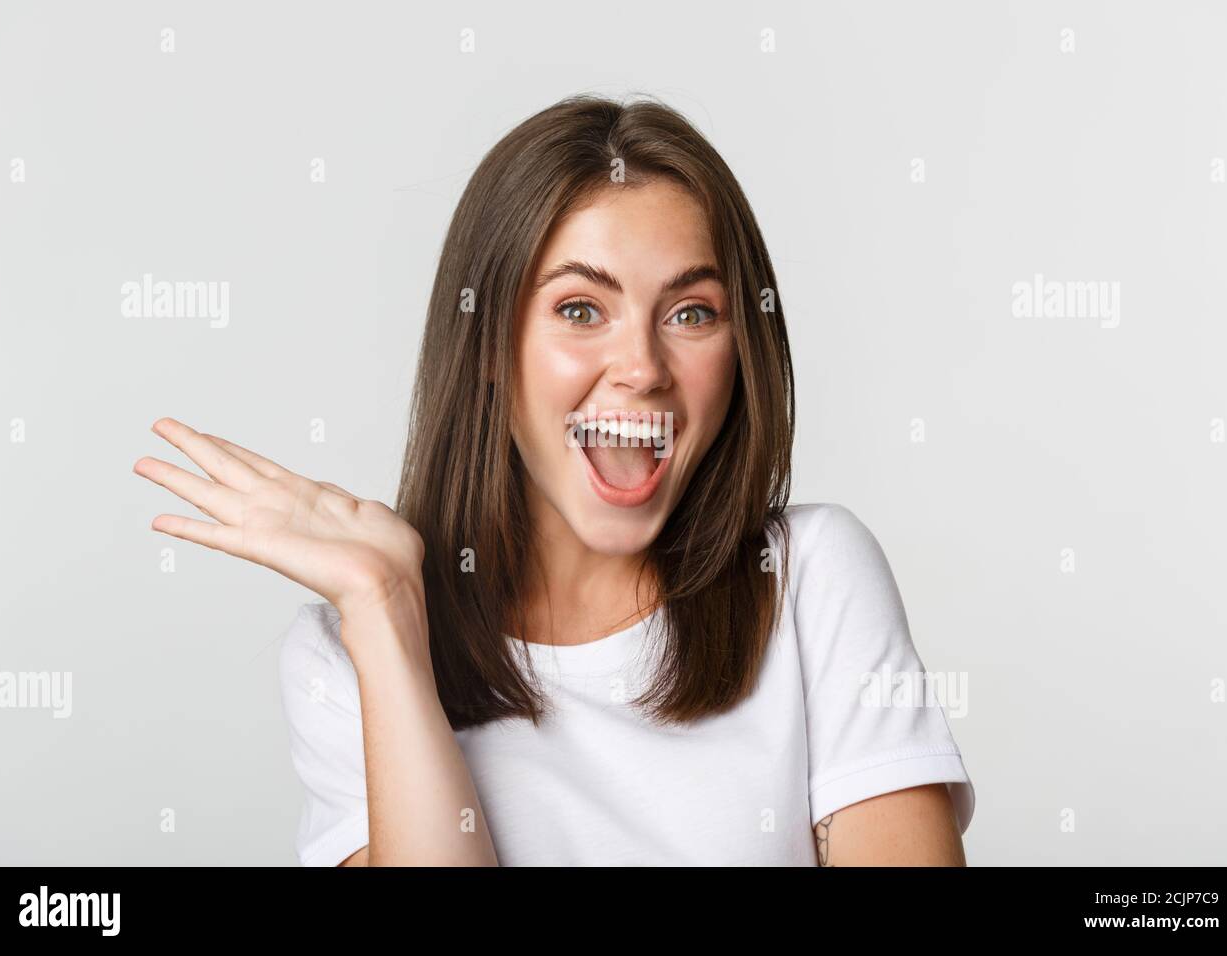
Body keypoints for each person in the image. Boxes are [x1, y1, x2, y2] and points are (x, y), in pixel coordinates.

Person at [132, 93, 975, 866]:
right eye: (580, 309)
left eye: (691, 313)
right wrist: (388, 616)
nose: (642, 367)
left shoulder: (811, 581)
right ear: (491, 348)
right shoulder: (345, 655)